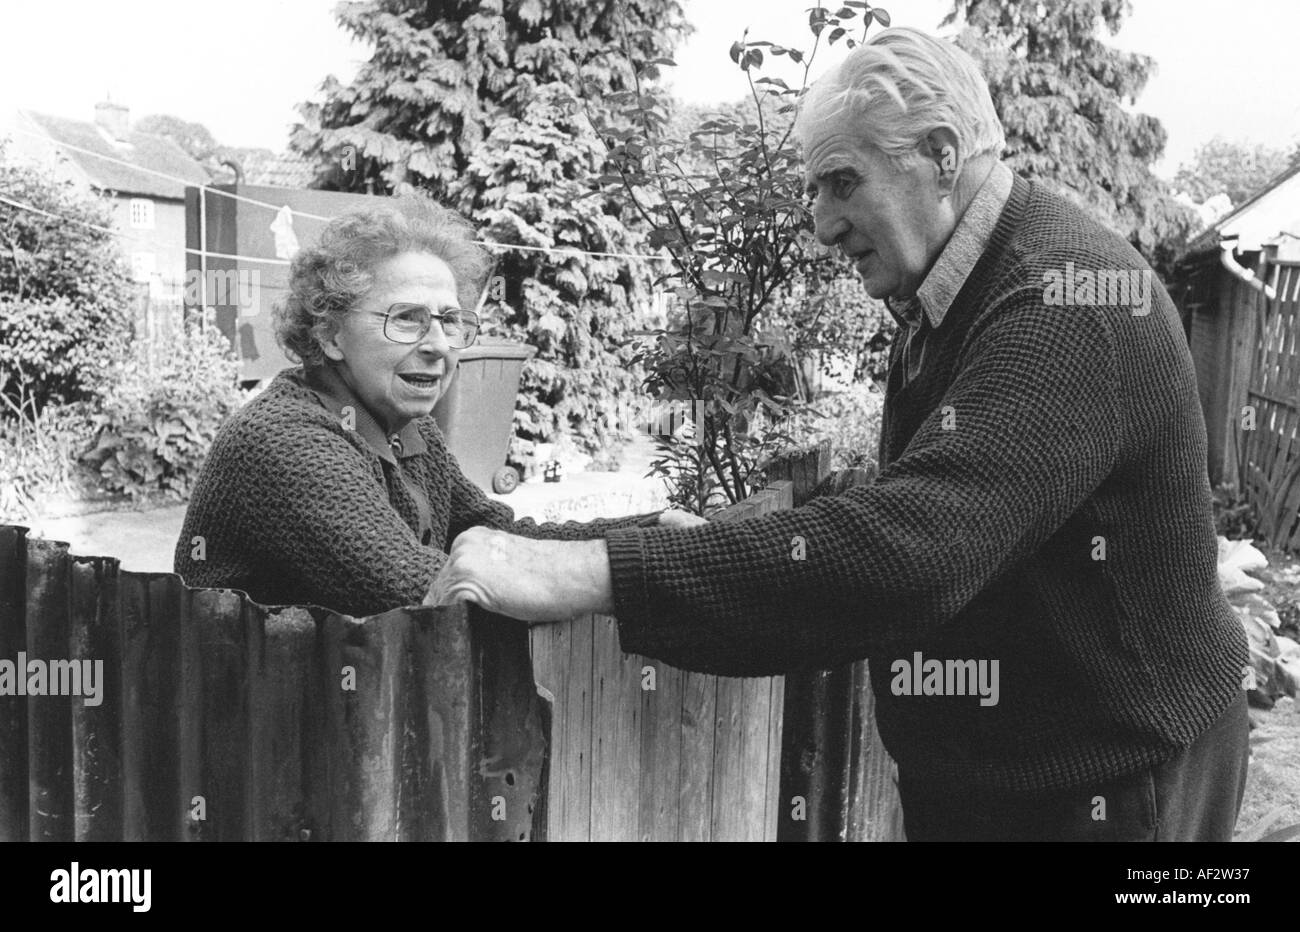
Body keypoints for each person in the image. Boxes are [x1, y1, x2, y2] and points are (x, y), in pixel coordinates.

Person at [429, 27, 1251, 841]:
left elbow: (920, 548)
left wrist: (596, 574)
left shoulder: (1065, 300)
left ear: (939, 154)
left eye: (843, 183)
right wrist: (721, 542)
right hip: (1023, 771)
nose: (822, 224)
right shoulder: (957, 283)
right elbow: (940, 493)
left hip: (1108, 786)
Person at [174, 197, 690, 618]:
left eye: (450, 320)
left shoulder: (409, 428)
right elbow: (432, 592)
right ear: (331, 334)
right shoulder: (286, 438)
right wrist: (638, 572)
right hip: (247, 725)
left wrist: (651, 531)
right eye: (407, 319)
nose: (440, 345)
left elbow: (501, 535)